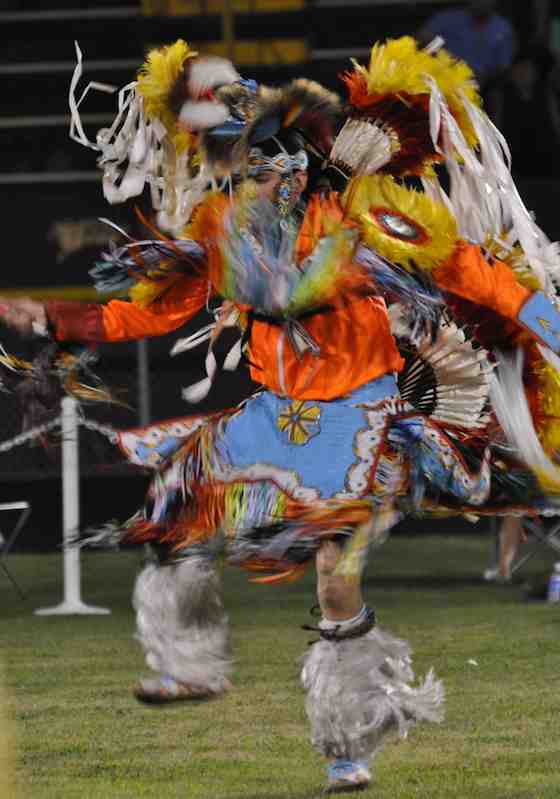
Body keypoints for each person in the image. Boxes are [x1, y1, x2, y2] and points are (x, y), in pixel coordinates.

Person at [4, 36, 560, 794]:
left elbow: (472, 272)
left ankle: (344, 745)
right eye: (242, 166)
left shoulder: (363, 218)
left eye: (263, 163)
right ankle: (189, 666)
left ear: (296, 165)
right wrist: (55, 323)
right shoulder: (226, 232)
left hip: (359, 426)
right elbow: (151, 312)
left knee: (335, 579)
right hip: (276, 415)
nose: (251, 178)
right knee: (176, 503)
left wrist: (550, 324)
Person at [417, 1, 515, 123]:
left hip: (483, 85)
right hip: (446, 79)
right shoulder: (448, 19)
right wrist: (445, 56)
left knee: (497, 94)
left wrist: (485, 77)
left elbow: (503, 67)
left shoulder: (502, 28)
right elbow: (423, 38)